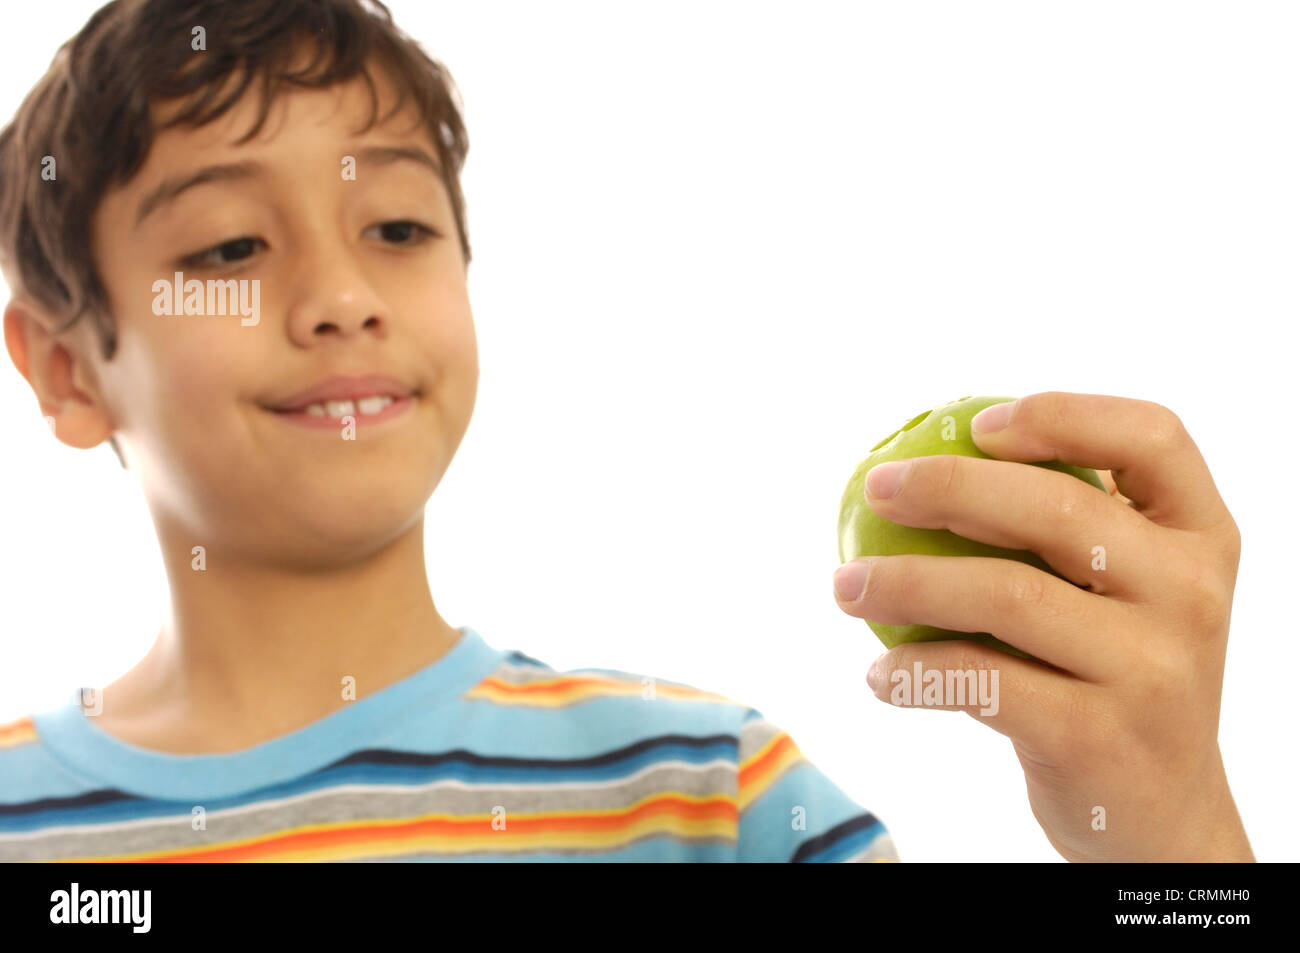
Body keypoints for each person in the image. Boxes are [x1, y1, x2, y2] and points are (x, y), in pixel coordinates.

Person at [0, 0, 1250, 862]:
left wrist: (1169, 826)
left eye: (397, 227)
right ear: (64, 369)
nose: (342, 297)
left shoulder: (717, 798)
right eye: (230, 246)